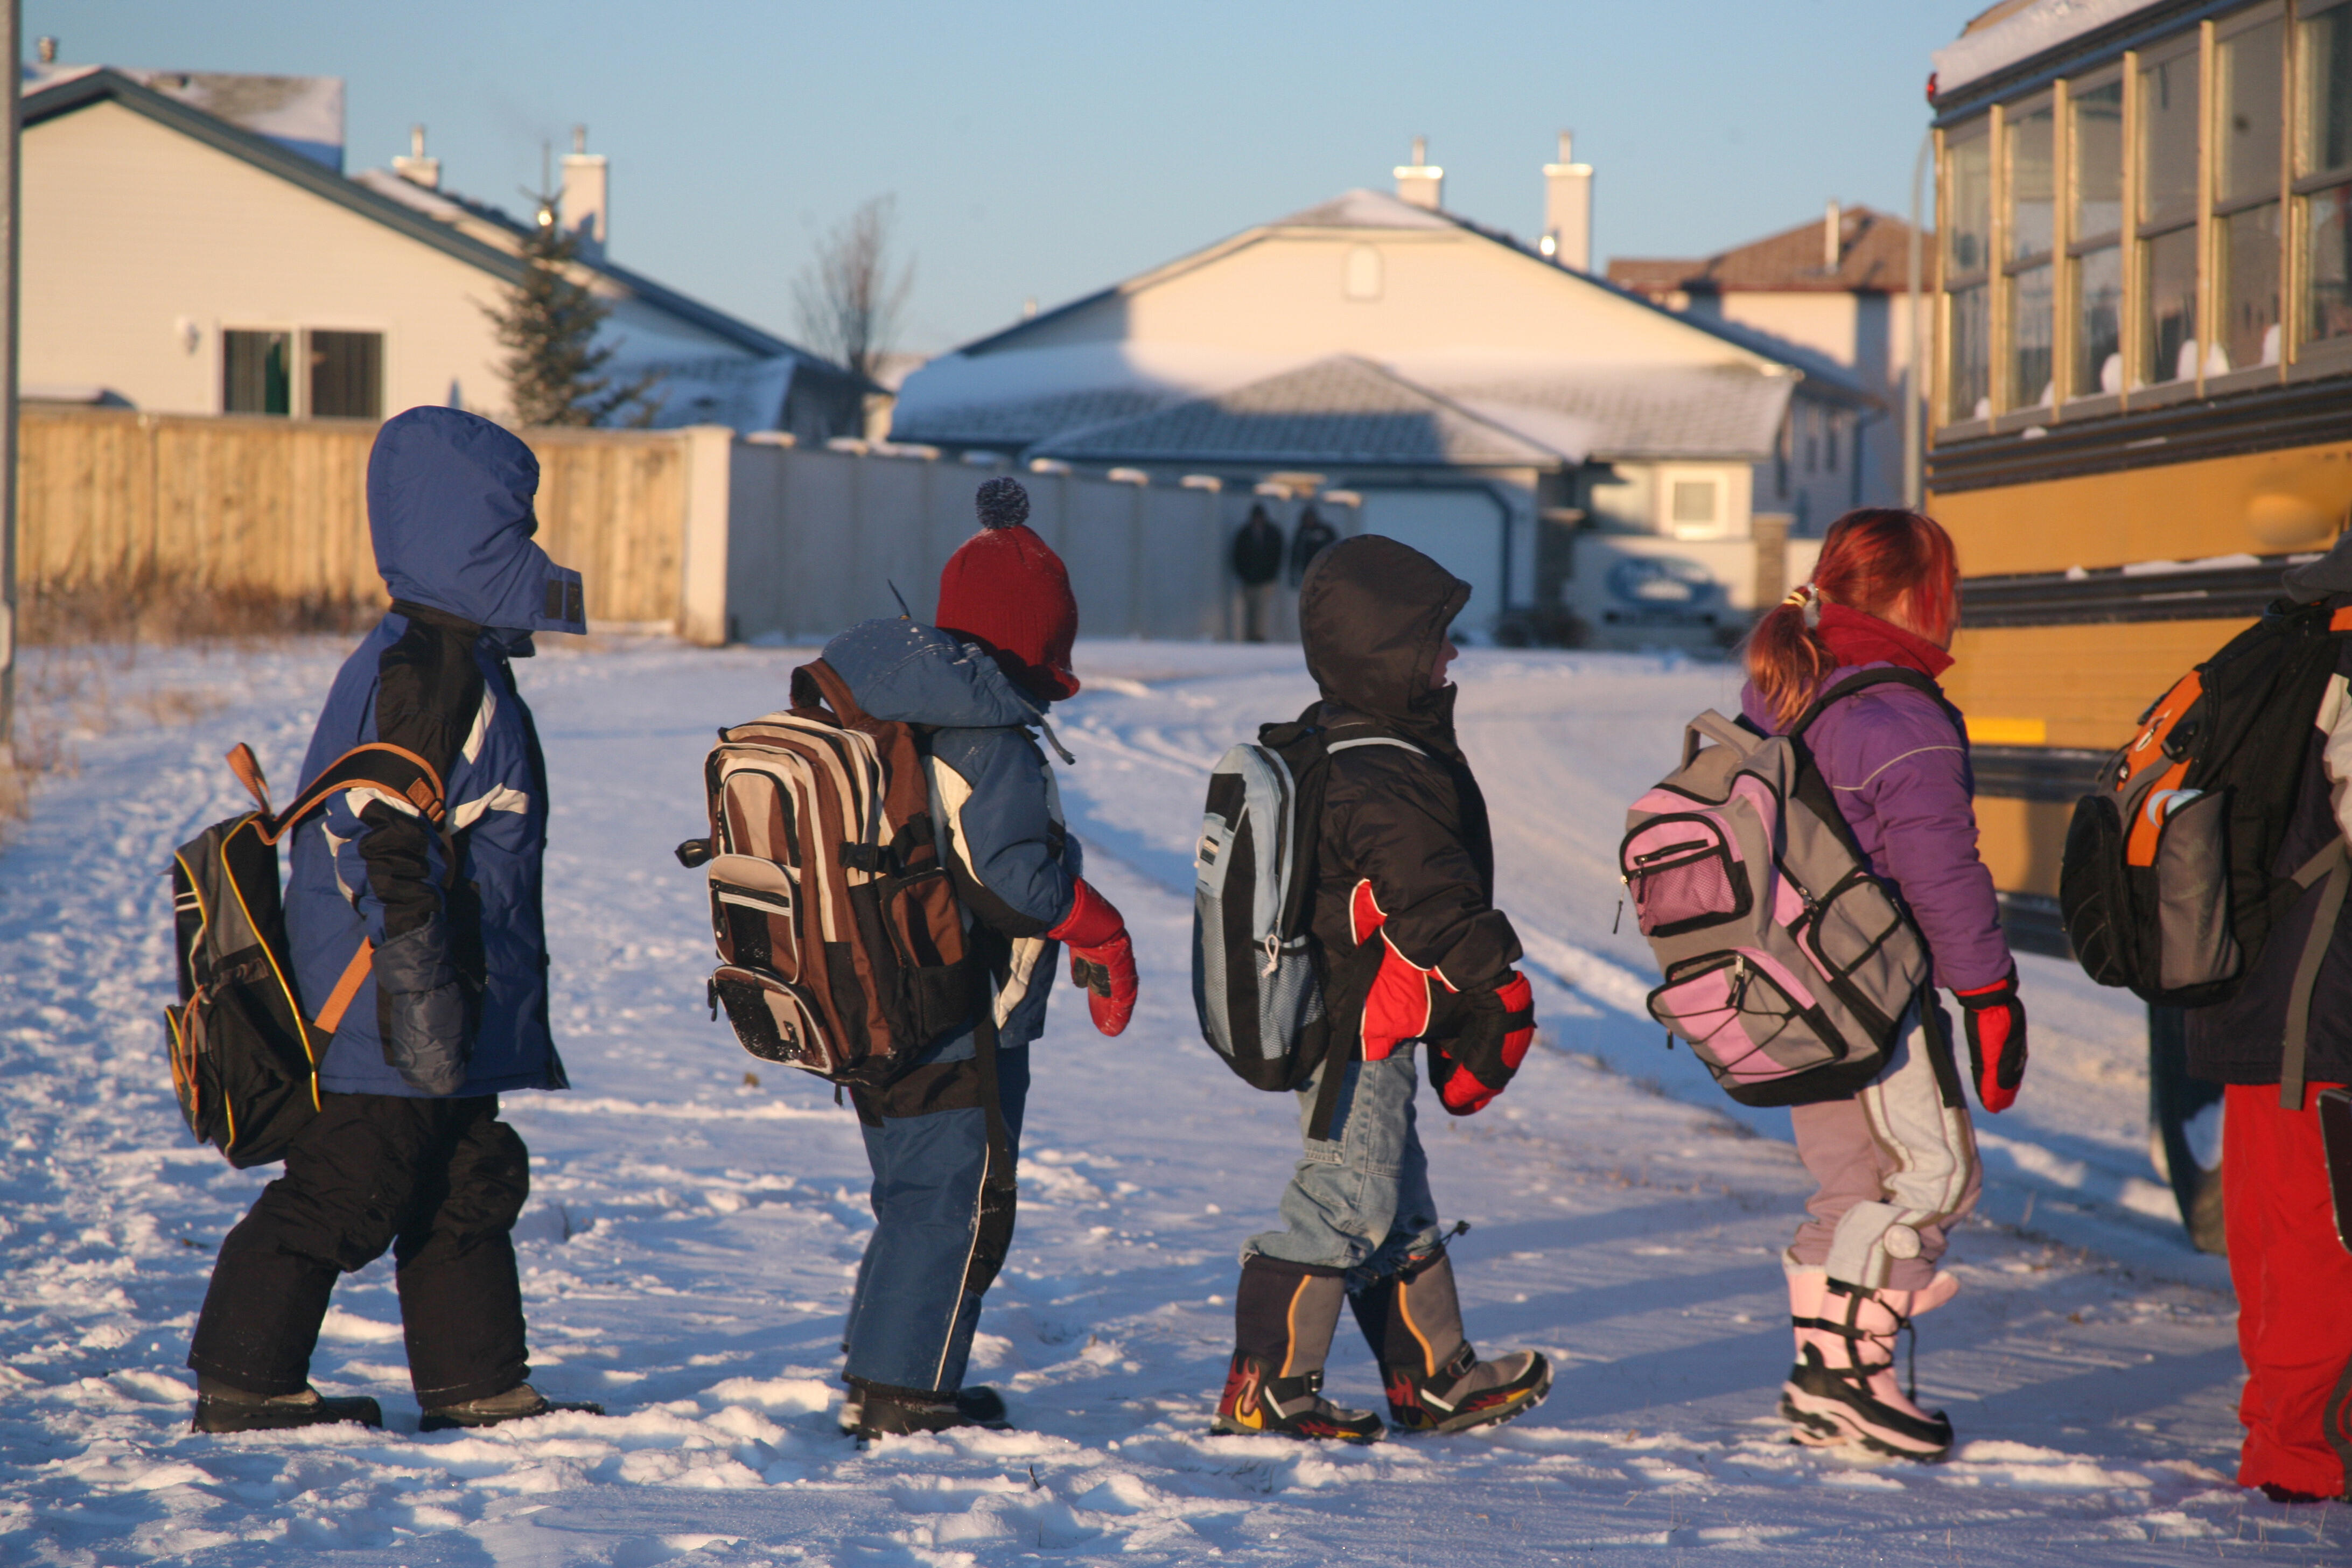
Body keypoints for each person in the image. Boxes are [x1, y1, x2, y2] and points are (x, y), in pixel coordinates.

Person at [187, 407, 598, 1434]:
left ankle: (476, 1384)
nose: (530, 541)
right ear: (470, 529)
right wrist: (419, 1002)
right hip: (394, 993)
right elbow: (383, 839)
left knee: (465, 1175)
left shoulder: (441, 652)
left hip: (443, 987)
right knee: (351, 1179)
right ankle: (246, 1380)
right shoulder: (430, 672)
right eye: (516, 522)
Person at [1211, 535, 1549, 1444]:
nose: (1451, 655)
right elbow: (1433, 906)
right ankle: (1265, 1386)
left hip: (1362, 1020)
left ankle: (1434, 1379)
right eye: (1436, 639)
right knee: (1346, 1198)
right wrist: (1499, 991)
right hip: (1357, 1028)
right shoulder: (1382, 771)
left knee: (1393, 1197)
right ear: (1387, 649)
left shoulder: (1345, 740)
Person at [825, 477, 1139, 1439]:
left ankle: (887, 1372)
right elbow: (1012, 884)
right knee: (955, 1202)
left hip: (875, 990)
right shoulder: (985, 732)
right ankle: (904, 1394)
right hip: (958, 1007)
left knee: (913, 1193)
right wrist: (1100, 926)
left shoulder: (892, 707)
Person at [1740, 507, 2023, 1462]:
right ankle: (1847, 1377)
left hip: (1785, 994)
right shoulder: (1898, 714)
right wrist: (1988, 995)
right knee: (1931, 1177)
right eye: (1948, 589)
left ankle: (1828, 1381)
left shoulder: (1784, 686)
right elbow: (1942, 877)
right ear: (1912, 596)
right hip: (1874, 1003)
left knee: (1851, 1184)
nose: (1954, 608)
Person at [2179, 538, 2352, 1506]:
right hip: (2321, 1010)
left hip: (2257, 996)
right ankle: (2304, 1460)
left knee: (2280, 1244)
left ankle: (2287, 1448)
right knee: (2320, 1247)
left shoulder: (2281, 644)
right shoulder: (2343, 664)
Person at [1231, 503, 1284, 642]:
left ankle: (1259, 636)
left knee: (1262, 611)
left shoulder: (1272, 534)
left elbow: (1277, 556)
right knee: (1249, 610)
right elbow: (1237, 556)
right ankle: (1249, 636)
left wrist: (1271, 575)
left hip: (1265, 580)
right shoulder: (1245, 534)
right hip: (1248, 580)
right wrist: (1243, 575)